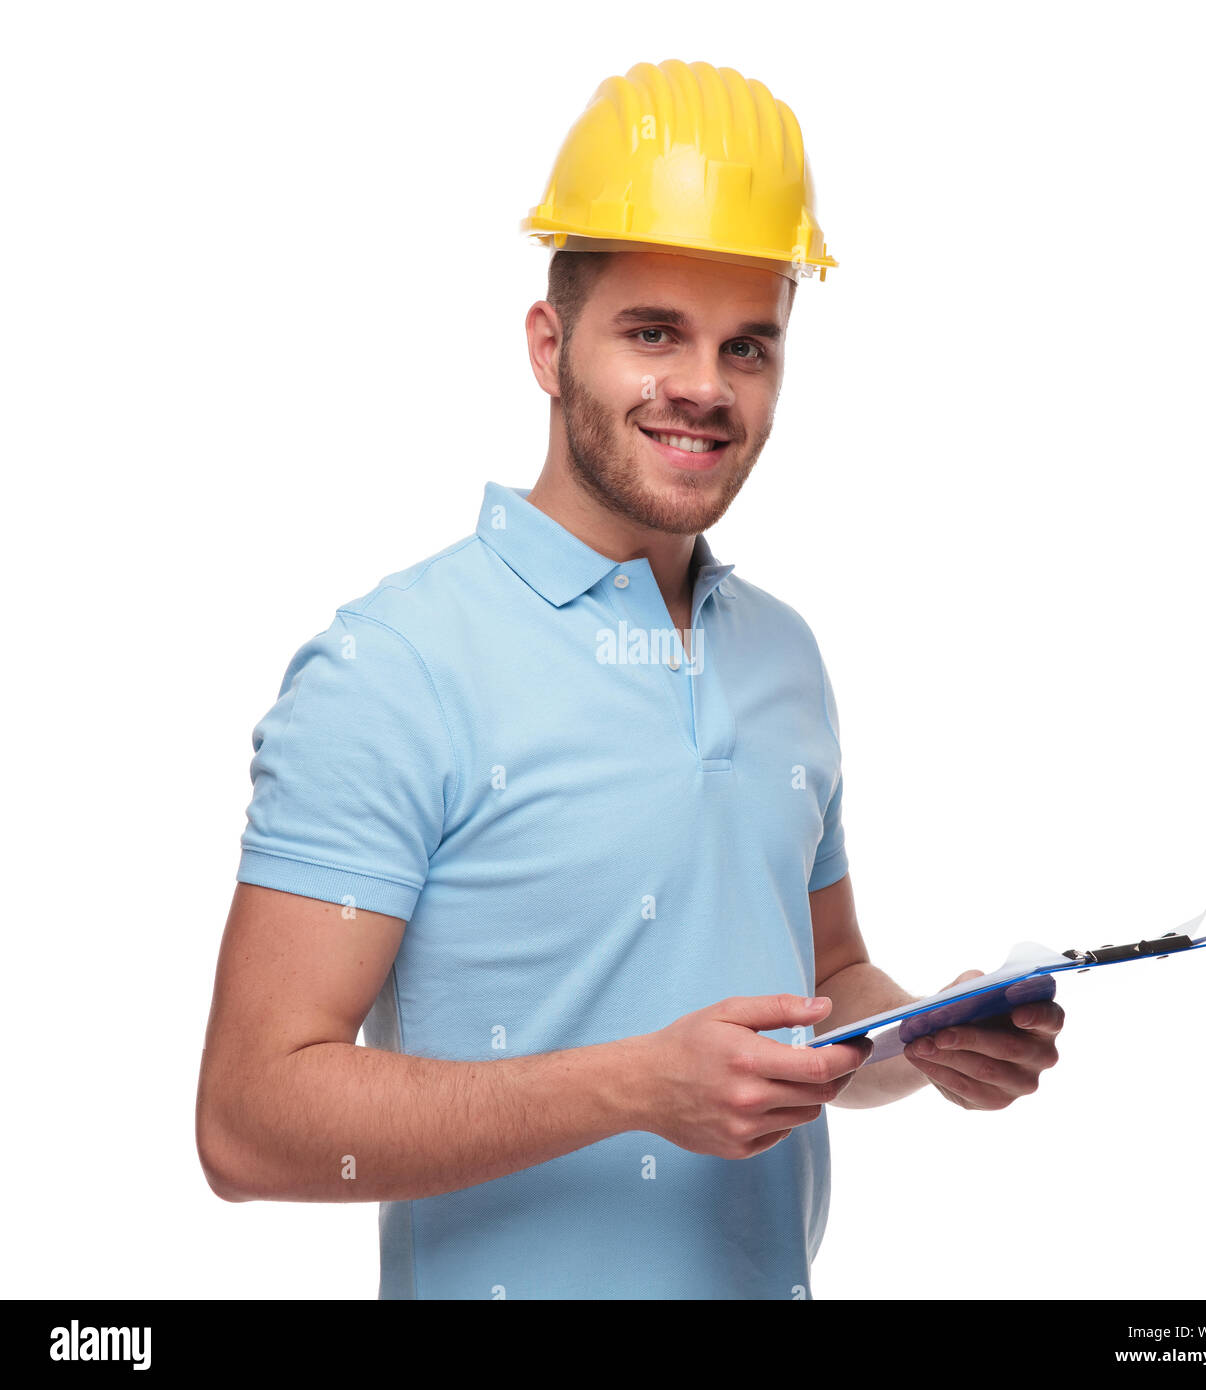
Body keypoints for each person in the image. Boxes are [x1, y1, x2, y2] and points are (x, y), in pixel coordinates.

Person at [196, 58, 1064, 1301]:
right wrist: (634, 1087)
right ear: (549, 345)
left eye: (748, 345)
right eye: (653, 332)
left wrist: (918, 1034)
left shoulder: (783, 655)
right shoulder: (390, 668)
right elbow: (246, 1118)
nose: (705, 387)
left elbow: (822, 993)